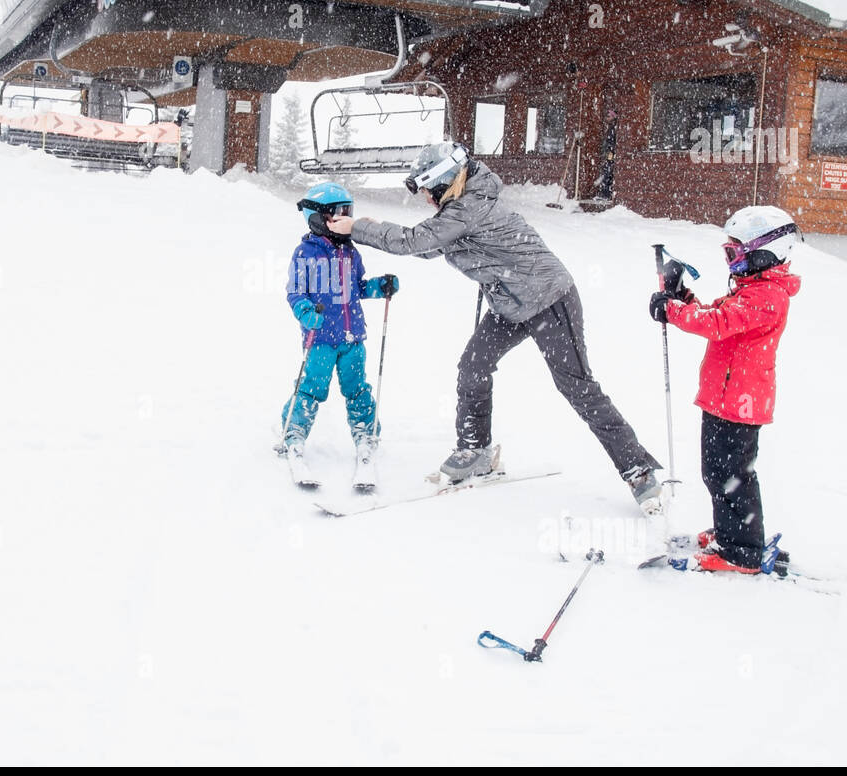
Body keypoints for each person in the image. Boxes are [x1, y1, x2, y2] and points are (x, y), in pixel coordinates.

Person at [326, 141, 662, 512]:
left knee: (577, 387)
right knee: (473, 366)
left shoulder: (469, 208)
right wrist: (370, 228)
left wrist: (358, 228)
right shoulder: (460, 207)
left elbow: (414, 241)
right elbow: (425, 247)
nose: (424, 198)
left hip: (550, 299)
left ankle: (638, 469)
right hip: (510, 303)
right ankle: (475, 449)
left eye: (426, 190)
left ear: (442, 183)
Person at [648, 205, 802, 572]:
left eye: (735, 253)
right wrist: (681, 296)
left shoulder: (767, 297)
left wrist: (672, 311)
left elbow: (716, 323)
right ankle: (731, 531)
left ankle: (741, 550)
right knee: (718, 472)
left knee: (731, 475)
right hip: (725, 399)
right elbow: (711, 312)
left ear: (765, 253)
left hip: (741, 403)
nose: (730, 261)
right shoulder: (751, 290)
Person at [280, 182, 399, 467]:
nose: (346, 218)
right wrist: (305, 310)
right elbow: (295, 292)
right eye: (338, 213)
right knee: (311, 388)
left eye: (349, 212)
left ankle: (365, 433)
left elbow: (355, 288)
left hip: (353, 337)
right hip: (320, 338)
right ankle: (294, 432)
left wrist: (378, 287)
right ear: (318, 217)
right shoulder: (305, 253)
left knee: (357, 388)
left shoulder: (350, 252)